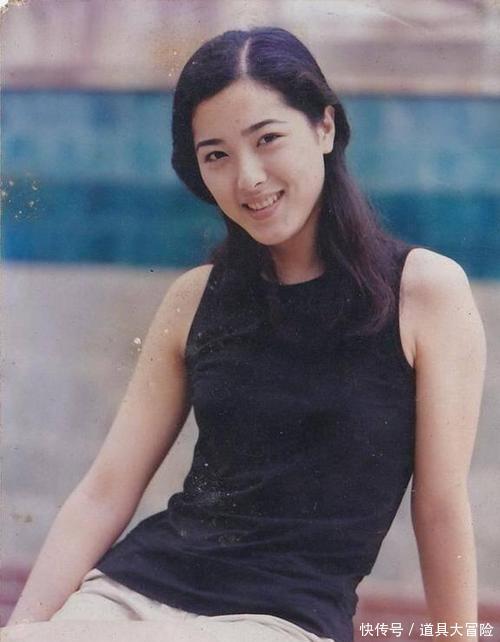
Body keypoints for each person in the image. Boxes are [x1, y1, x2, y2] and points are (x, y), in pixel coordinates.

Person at [3, 26, 486, 642]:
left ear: (324, 127)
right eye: (217, 155)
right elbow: (106, 489)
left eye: (267, 139)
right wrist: (23, 628)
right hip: (130, 596)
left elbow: (440, 508)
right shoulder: (194, 297)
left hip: (278, 621)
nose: (248, 177)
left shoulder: (426, 292)